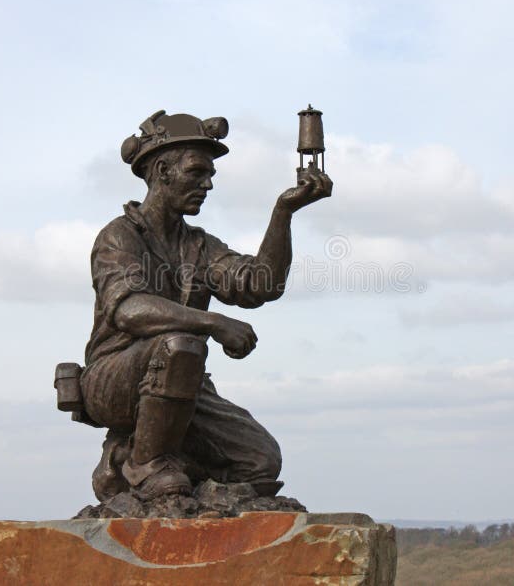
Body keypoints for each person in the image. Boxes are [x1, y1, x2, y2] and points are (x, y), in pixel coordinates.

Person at [80, 110, 332, 502]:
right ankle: (144, 465)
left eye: (210, 175)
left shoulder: (199, 245)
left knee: (260, 463)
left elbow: (260, 284)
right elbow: (130, 308)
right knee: (182, 342)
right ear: (162, 170)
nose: (208, 184)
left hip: (182, 384)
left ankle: (148, 458)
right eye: (197, 172)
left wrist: (283, 212)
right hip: (113, 381)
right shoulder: (118, 236)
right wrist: (213, 322)